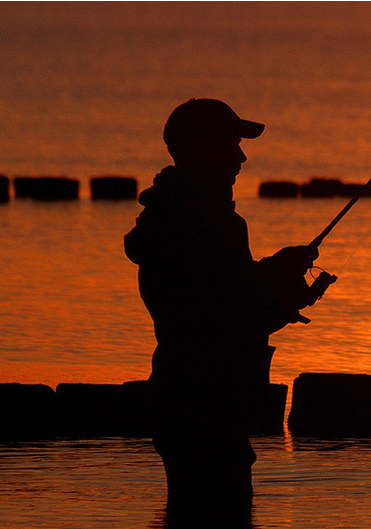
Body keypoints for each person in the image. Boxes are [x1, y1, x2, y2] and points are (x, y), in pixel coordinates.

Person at [125, 98, 322, 506]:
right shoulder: (211, 224)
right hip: (206, 405)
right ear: (205, 148)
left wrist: (278, 275)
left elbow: (222, 298)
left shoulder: (172, 217)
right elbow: (226, 315)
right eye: (232, 144)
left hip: (183, 399)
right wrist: (280, 282)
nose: (242, 156)